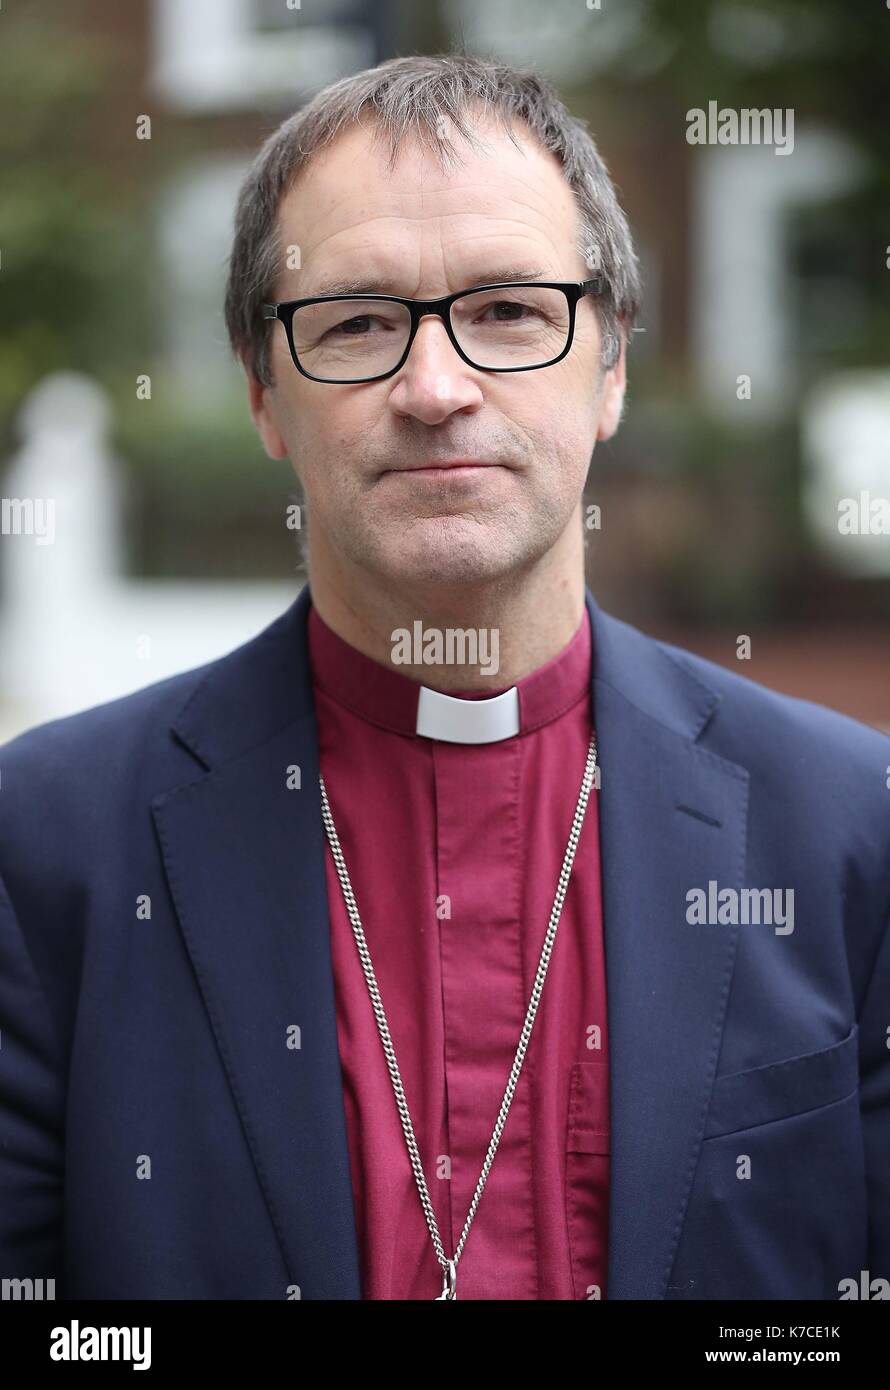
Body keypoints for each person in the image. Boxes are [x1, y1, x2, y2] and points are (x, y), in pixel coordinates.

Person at [0, 52, 887, 1302]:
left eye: (509, 310)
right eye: (357, 322)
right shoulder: (44, 847)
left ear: (611, 366)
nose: (434, 387)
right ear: (263, 394)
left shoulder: (849, 831)